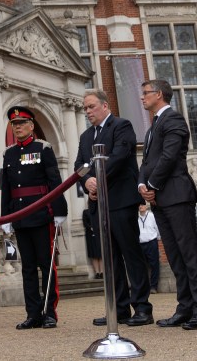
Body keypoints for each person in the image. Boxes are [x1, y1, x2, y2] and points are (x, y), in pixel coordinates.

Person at [138, 79, 197, 330]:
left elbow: (170, 157)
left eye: (146, 93)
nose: (142, 98)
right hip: (159, 198)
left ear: (159, 94)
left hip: (176, 195)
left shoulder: (174, 119)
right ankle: (185, 307)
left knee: (189, 253)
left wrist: (152, 185)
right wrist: (142, 185)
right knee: (174, 256)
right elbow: (147, 161)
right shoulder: (152, 128)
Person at [75, 90, 153, 327]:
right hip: (98, 203)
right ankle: (119, 308)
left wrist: (97, 178)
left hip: (120, 200)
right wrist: (86, 181)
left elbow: (119, 156)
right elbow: (79, 164)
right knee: (110, 258)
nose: (87, 111)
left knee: (130, 254)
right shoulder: (86, 136)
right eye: (85, 108)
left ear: (105, 105)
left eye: (91, 106)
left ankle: (142, 308)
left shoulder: (122, 126)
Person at [0, 106, 68, 330]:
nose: (17, 127)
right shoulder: (8, 153)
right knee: (27, 267)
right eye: (14, 124)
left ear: (31, 126)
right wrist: (6, 217)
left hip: (41, 214)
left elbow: (54, 182)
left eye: (21, 123)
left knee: (46, 265)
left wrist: (59, 210)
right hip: (20, 215)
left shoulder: (43, 148)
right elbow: (6, 189)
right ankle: (33, 313)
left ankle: (49, 313)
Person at [137, 203, 160, 293]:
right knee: (142, 266)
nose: (140, 206)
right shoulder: (136, 217)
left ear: (146, 206)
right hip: (140, 244)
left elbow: (157, 228)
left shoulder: (151, 216)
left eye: (142, 205)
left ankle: (153, 286)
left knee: (154, 265)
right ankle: (144, 287)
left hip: (152, 243)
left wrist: (157, 239)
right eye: (139, 205)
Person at [83, 207, 103, 279]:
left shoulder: (98, 210)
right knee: (93, 254)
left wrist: (97, 228)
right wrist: (91, 228)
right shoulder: (85, 212)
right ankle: (97, 272)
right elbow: (85, 222)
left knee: (100, 254)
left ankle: (102, 272)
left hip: (99, 234)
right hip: (90, 235)